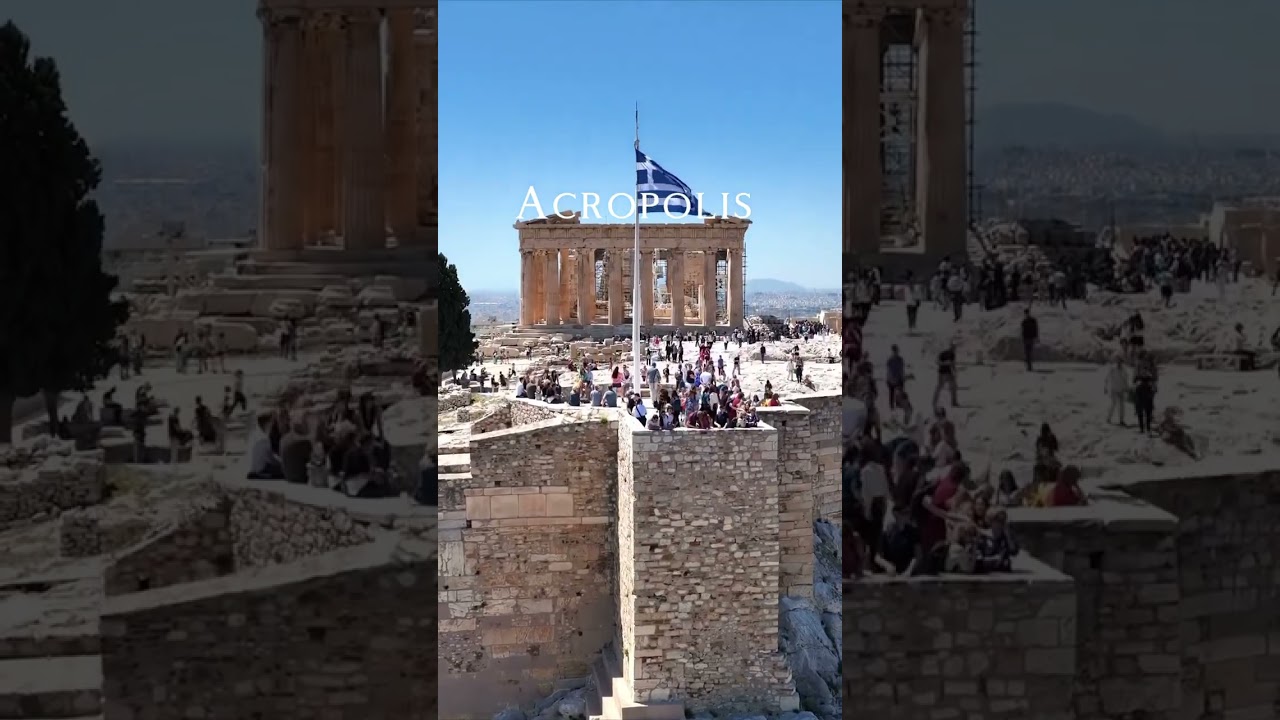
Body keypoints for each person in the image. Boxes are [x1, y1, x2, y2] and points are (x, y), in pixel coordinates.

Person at [247, 413, 284, 480]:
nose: (275, 424)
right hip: (262, 470)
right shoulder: (264, 440)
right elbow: (270, 459)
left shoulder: (257, 437)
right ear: (268, 424)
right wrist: (281, 464)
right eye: (273, 422)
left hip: (255, 471)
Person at [280, 420, 313, 484]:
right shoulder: (306, 442)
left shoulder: (283, 439)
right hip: (300, 477)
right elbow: (313, 460)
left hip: (288, 476)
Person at [931, 342, 959, 409]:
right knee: (939, 387)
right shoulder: (943, 353)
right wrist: (945, 363)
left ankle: (954, 402)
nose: (954, 349)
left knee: (954, 387)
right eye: (953, 348)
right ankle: (934, 401)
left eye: (954, 348)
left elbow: (952, 364)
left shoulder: (953, 354)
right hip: (942, 373)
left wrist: (955, 371)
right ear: (950, 347)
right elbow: (937, 361)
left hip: (949, 373)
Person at [1104, 354, 1130, 425]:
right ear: (1116, 361)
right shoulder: (1112, 368)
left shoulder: (1124, 369)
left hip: (1121, 389)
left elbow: (1126, 380)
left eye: (1120, 361)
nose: (1119, 362)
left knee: (1121, 406)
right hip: (1113, 389)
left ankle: (1121, 420)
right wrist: (1105, 387)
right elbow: (1106, 378)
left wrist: (1127, 388)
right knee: (1113, 404)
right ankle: (1108, 418)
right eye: (1118, 360)